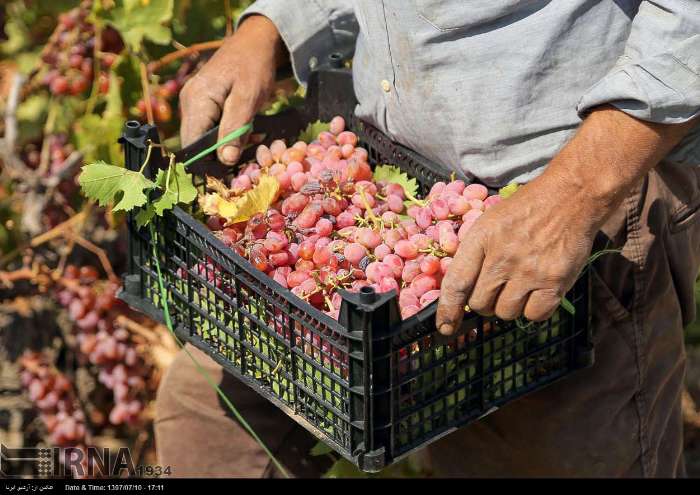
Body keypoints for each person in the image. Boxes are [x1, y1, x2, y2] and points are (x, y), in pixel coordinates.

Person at [155, 2, 700, 477]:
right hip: (382, 182)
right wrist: (270, 28)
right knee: (208, 422)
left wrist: (577, 193)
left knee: (530, 454)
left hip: (561, 214)